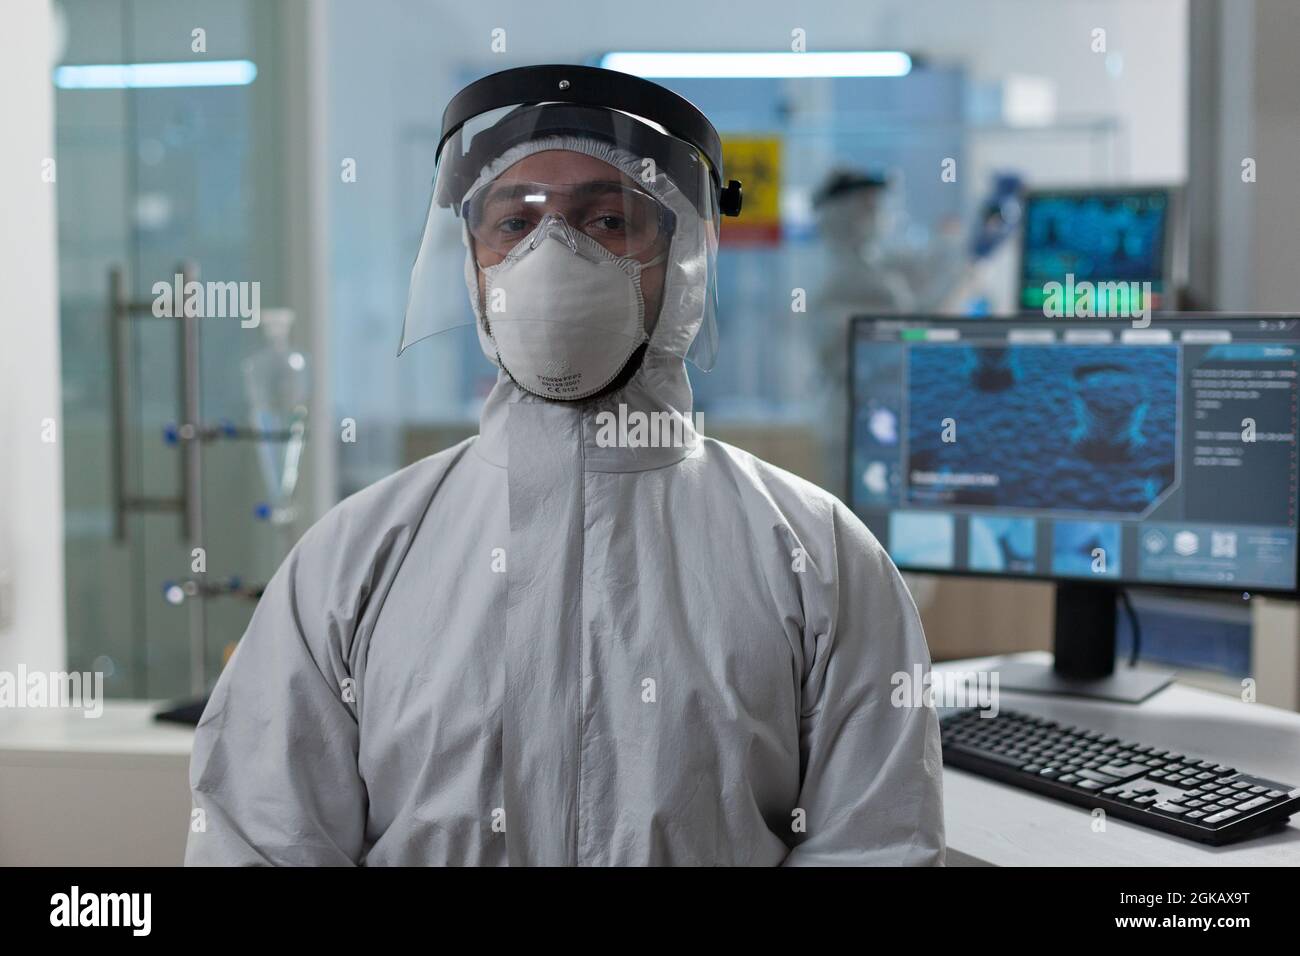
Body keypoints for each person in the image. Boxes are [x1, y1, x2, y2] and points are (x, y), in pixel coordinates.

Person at [185, 64, 944, 866]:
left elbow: (876, 848)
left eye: (608, 220)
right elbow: (260, 843)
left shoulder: (817, 557)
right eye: (515, 224)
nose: (555, 255)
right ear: (473, 265)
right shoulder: (352, 562)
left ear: (683, 259)